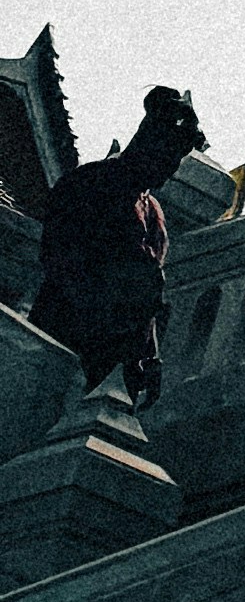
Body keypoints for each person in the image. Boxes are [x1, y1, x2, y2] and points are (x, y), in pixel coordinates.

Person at [26, 91, 205, 406]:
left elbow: (149, 298)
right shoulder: (88, 184)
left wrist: (150, 358)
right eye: (164, 158)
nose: (168, 170)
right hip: (63, 338)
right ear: (145, 144)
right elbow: (59, 261)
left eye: (174, 163)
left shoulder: (154, 216)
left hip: (117, 359)